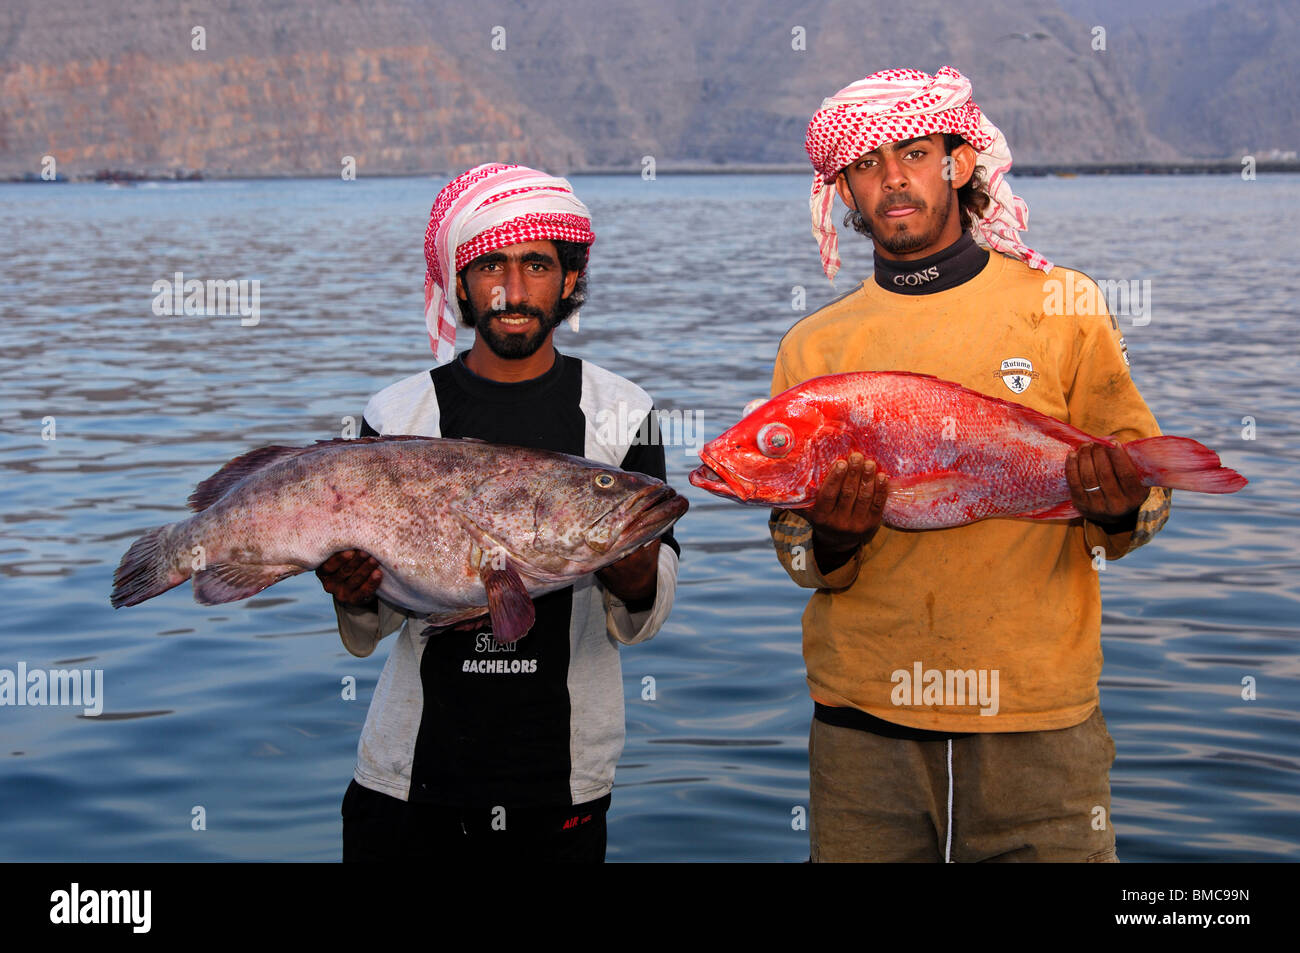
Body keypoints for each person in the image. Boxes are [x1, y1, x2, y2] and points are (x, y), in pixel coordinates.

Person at [769, 66, 1171, 862]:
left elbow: (1148, 497)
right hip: (864, 730)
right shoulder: (812, 347)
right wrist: (832, 542)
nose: (893, 181)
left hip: (1040, 728)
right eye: (866, 165)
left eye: (914, 154)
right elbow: (795, 549)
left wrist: (1119, 508)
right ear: (843, 188)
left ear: (959, 161)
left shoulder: (1064, 306)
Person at [317, 163, 681, 862]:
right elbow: (371, 629)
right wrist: (353, 591)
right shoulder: (396, 414)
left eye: (537, 265)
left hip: (561, 786)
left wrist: (633, 573)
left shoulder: (623, 412)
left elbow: (643, 618)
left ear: (570, 279)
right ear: (459, 283)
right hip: (405, 784)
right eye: (490, 265)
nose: (513, 291)